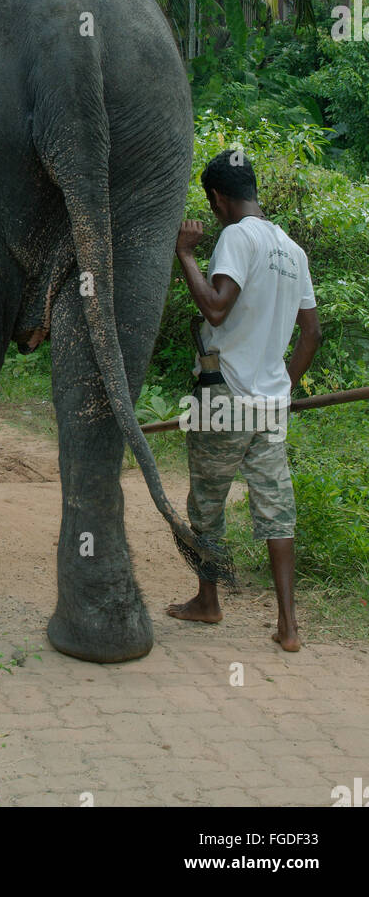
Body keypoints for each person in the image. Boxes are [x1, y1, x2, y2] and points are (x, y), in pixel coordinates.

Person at [169, 149, 321, 652]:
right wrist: (281, 385)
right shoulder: (291, 249)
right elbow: (311, 335)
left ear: (218, 198)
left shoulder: (237, 237)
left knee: (206, 505)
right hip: (269, 405)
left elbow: (215, 308)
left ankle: (208, 602)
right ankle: (288, 626)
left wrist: (186, 253)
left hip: (224, 397)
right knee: (277, 510)